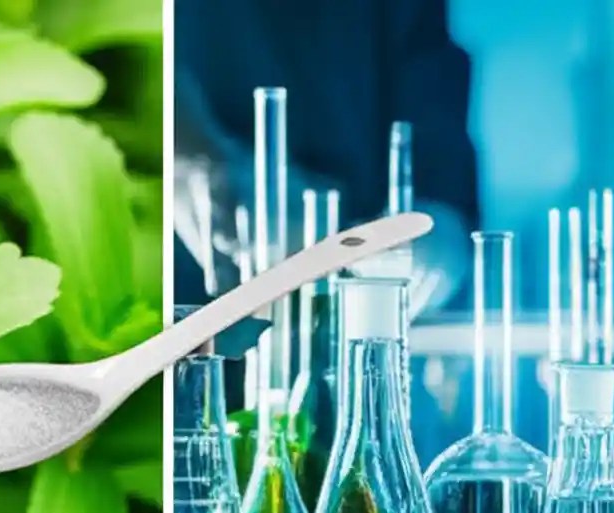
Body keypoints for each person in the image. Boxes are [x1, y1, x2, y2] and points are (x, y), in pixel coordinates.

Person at [173, 0, 480, 315]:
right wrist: (191, 155)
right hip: (194, 295)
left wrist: (435, 235)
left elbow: (442, 171)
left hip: (356, 300)